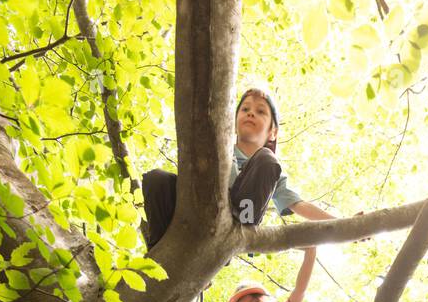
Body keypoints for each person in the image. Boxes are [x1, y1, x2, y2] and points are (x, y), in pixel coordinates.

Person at [141, 87, 336, 247]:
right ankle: (159, 248)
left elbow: (298, 204)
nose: (251, 112)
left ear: (273, 133)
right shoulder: (217, 149)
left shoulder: (268, 168)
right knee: (156, 179)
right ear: (233, 124)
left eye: (260, 111)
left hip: (239, 219)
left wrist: (339, 222)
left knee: (267, 159)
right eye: (245, 109)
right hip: (196, 211)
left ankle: (238, 228)